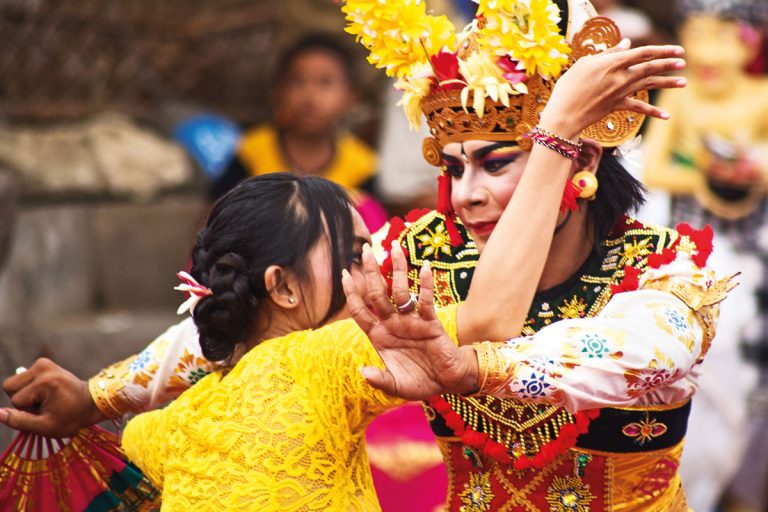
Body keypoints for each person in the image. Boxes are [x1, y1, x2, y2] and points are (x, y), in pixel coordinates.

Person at [2, 0, 710, 510]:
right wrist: (95, 395)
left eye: (496, 164)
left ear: (576, 156)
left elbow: (639, 350)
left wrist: (473, 366)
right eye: (454, 168)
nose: (466, 195)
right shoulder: (423, 259)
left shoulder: (662, 270)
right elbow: (240, 302)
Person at [643, 1, 768, 509]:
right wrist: (704, 174)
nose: (707, 52)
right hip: (695, 249)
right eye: (697, 35)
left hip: (754, 244)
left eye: (724, 37)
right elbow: (653, 168)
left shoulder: (762, 98)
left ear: (756, 40)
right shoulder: (685, 98)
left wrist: (751, 171)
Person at [211, 33, 389, 232]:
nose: (310, 96)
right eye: (298, 81)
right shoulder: (252, 151)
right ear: (277, 90)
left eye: (325, 83)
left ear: (351, 97)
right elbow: (214, 222)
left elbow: (375, 236)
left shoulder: (362, 166)